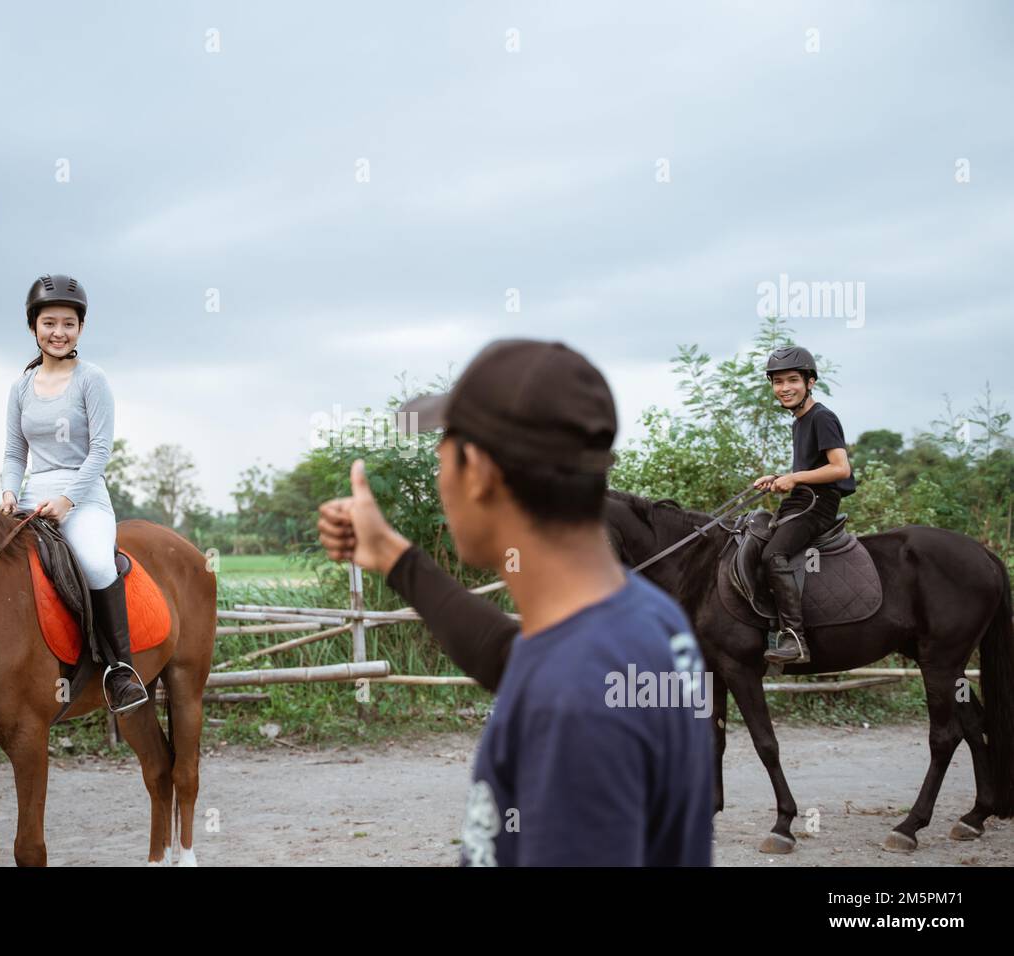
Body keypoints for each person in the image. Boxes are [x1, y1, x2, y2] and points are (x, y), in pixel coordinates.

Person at [317, 339, 713, 866]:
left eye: (442, 455)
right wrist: (392, 555)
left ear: (477, 470)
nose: (441, 478)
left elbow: (559, 686)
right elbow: (514, 658)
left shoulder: (576, 703)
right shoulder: (642, 617)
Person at [0, 273, 151, 714]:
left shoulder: (92, 379)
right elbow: (14, 452)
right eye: (49, 323)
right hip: (31, 496)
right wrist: (9, 492)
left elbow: (101, 450)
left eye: (68, 323)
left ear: (80, 329)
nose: (58, 332)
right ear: (33, 327)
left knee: (96, 563)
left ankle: (120, 670)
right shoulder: (21, 388)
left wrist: (68, 499)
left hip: (83, 497)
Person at [752, 345, 856, 665]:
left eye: (792, 380)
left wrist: (795, 478)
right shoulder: (800, 421)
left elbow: (840, 468)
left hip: (818, 504)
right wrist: (781, 477)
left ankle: (795, 638)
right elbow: (811, 467)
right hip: (803, 500)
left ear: (810, 382)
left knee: (774, 554)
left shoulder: (821, 417)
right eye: (778, 382)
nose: (784, 388)